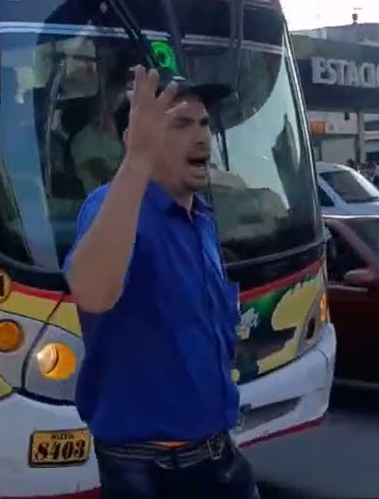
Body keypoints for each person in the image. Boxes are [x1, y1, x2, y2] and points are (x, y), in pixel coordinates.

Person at [63, 66, 257, 499]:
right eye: (181, 124)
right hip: (150, 474)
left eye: (205, 123)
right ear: (138, 137)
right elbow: (92, 293)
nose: (202, 137)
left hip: (218, 457)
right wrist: (137, 164)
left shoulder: (200, 217)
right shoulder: (110, 209)